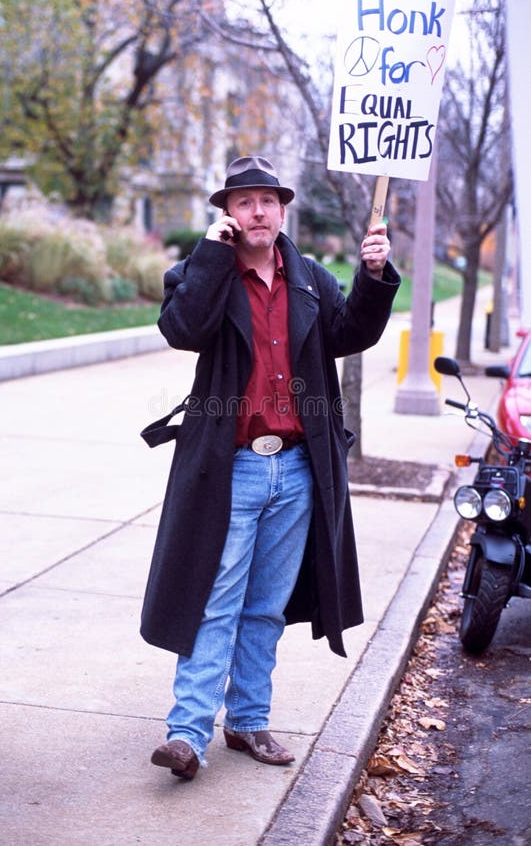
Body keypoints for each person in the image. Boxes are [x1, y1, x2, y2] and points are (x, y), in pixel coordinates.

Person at [140, 155, 400, 781]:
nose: (257, 212)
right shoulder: (205, 275)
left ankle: (249, 721)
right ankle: (187, 735)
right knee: (215, 599)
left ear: (283, 211)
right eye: (244, 201)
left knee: (265, 606)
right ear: (227, 213)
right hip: (231, 468)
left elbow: (350, 334)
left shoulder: (310, 278)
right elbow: (182, 329)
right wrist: (209, 257)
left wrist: (372, 274)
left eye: (267, 201)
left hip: (298, 470)